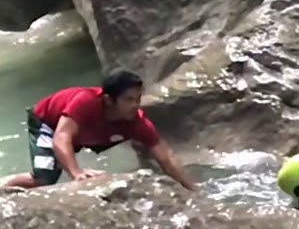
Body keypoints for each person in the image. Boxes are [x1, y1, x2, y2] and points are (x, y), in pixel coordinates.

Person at [2, 70, 197, 192]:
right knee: (44, 178)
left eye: (138, 98)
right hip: (48, 123)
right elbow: (61, 138)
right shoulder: (86, 102)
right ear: (108, 100)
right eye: (129, 100)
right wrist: (77, 173)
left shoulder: (136, 121)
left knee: (145, 141)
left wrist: (193, 190)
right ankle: (4, 189)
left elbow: (166, 157)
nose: (136, 105)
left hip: (88, 132)